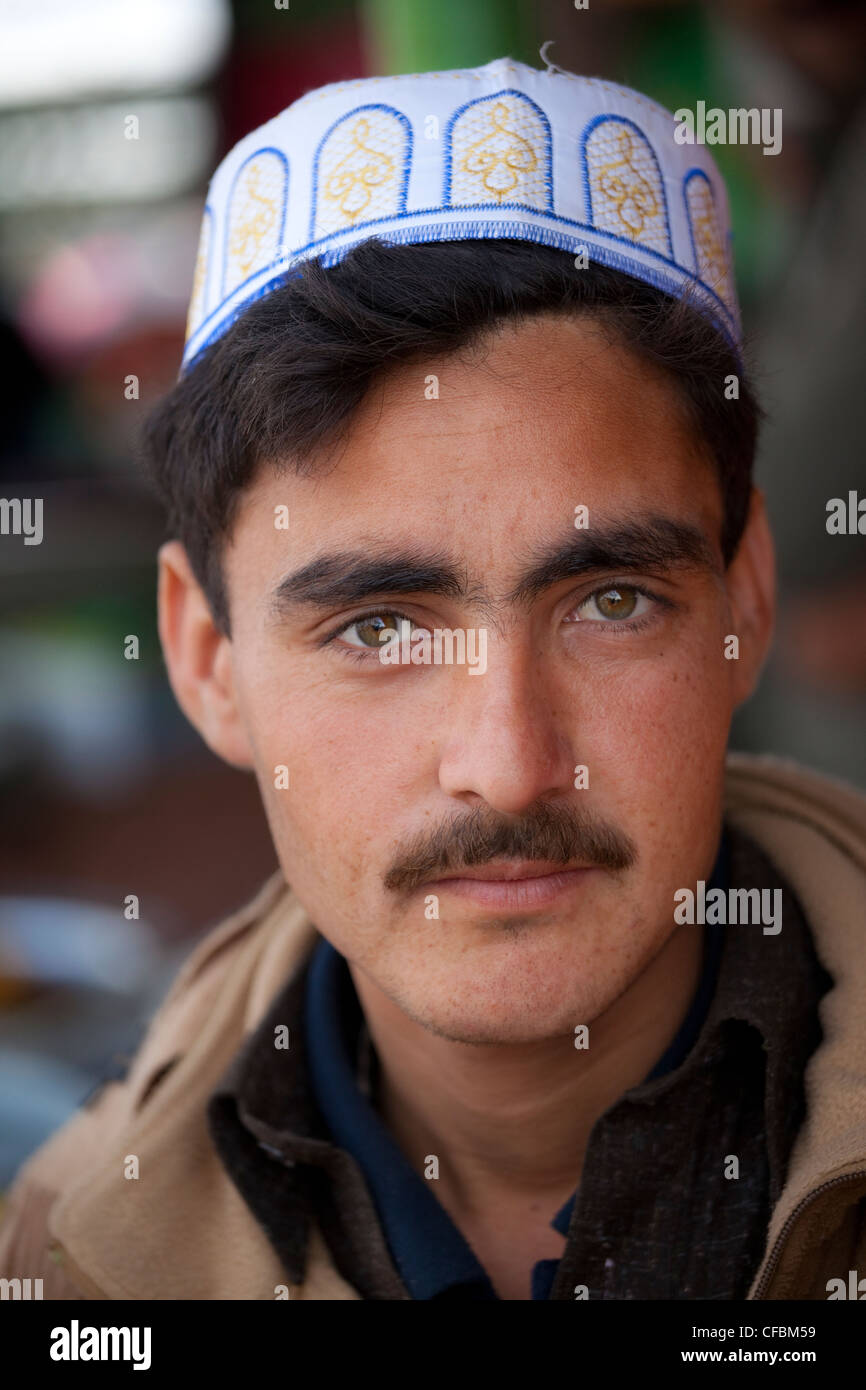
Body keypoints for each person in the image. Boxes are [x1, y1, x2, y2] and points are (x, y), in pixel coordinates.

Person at [2, 57, 865, 1302]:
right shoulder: (74, 1255)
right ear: (206, 657)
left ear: (743, 600)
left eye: (609, 603)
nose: (508, 762)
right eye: (378, 628)